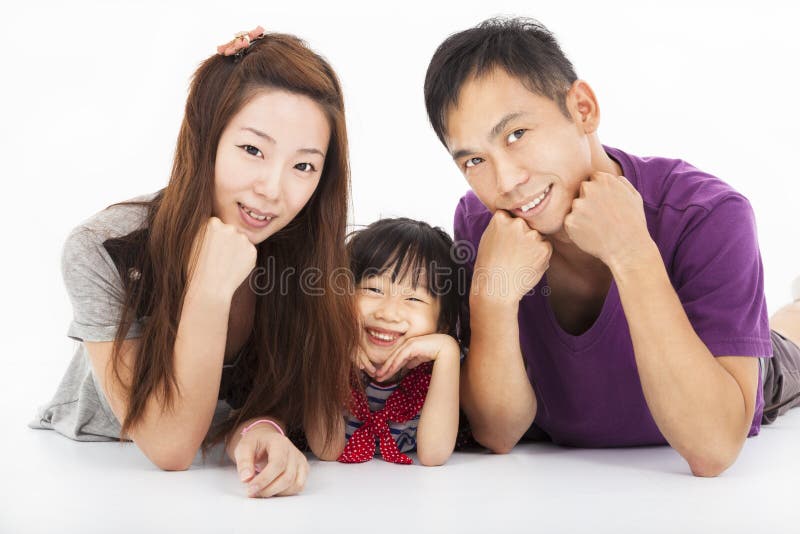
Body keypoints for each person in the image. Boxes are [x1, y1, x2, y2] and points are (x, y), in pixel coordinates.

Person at [422, 17, 800, 477]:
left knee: (791, 337)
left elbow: (714, 448)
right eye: (475, 160)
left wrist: (632, 254)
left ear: (582, 108)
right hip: (572, 418)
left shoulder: (708, 214)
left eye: (517, 134)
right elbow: (498, 434)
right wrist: (491, 298)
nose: (506, 182)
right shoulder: (481, 223)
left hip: (729, 372)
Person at [30, 27, 358, 497]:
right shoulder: (103, 249)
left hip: (223, 471)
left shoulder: (302, 250)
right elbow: (170, 448)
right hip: (96, 467)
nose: (272, 189)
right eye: (252, 150)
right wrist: (209, 289)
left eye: (303, 166)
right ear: (206, 139)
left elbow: (313, 422)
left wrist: (261, 426)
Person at [309, 218, 462, 466]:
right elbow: (327, 449)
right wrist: (332, 353)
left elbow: (434, 455)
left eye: (413, 299)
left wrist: (448, 351)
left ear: (442, 323)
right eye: (374, 290)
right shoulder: (330, 356)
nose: (388, 313)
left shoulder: (434, 372)